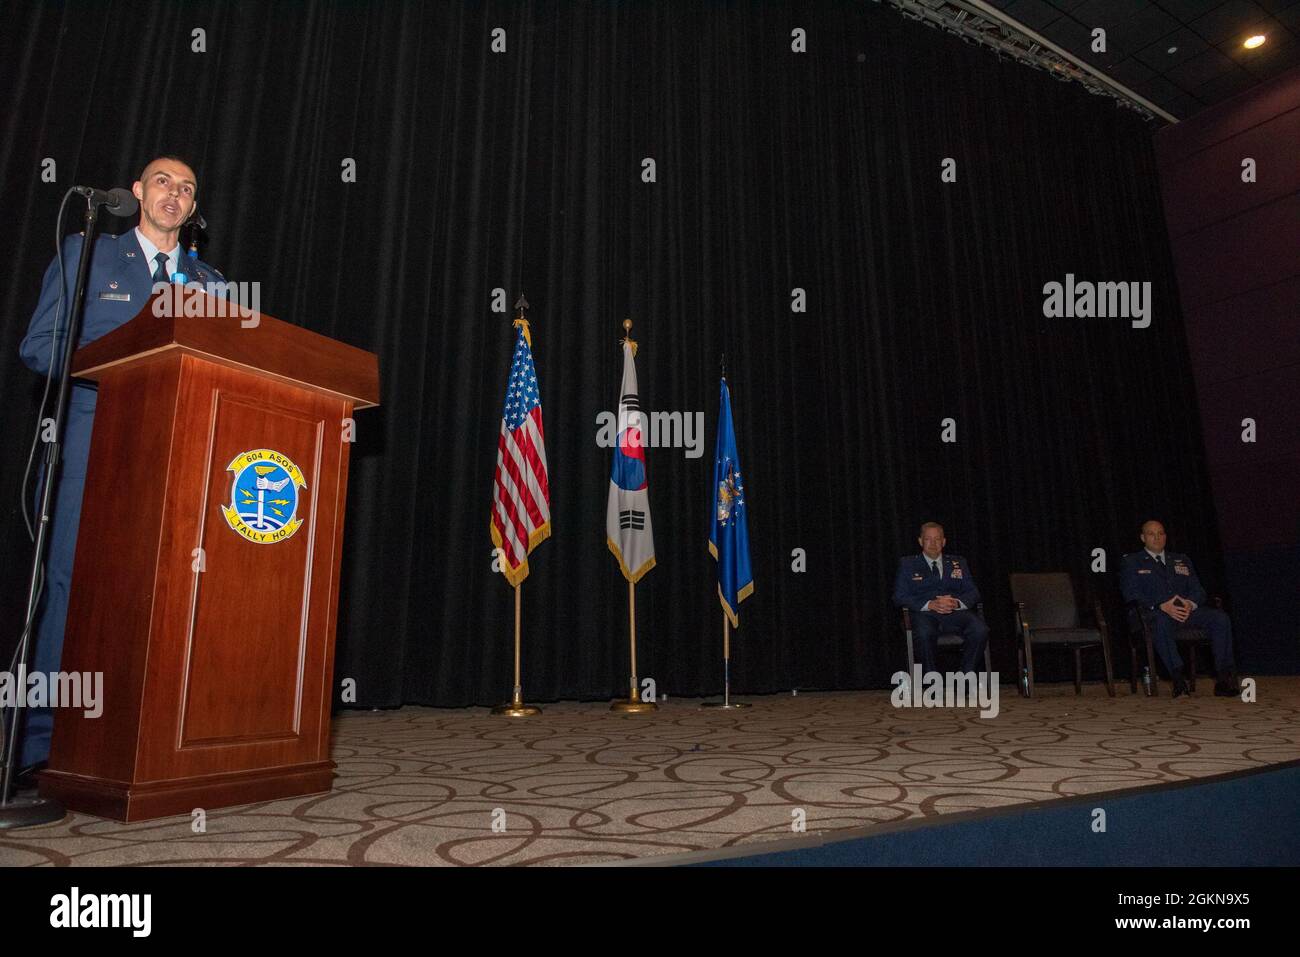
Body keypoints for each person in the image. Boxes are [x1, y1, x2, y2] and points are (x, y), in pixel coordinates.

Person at [15, 155, 226, 770]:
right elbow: (38, 346)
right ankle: (37, 747)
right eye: (163, 182)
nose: (175, 194)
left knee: (164, 591)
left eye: (187, 188)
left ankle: (147, 738)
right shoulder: (91, 253)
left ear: (192, 209)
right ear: (136, 193)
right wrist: (121, 367)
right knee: (71, 584)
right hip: (95, 440)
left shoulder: (210, 280)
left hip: (179, 448)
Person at [1120, 520, 1238, 698]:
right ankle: (1178, 678)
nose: (1157, 537)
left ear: (1166, 536)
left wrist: (1190, 603)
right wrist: (1161, 605)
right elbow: (1131, 594)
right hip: (1152, 615)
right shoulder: (1132, 562)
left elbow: (1199, 591)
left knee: (1219, 618)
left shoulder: (1181, 559)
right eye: (1151, 534)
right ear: (1143, 537)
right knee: (1160, 621)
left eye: (1161, 533)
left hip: (1185, 613)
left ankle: (1223, 679)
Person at [892, 522, 988, 674]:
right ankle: (932, 681)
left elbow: (973, 593)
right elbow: (899, 596)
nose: (933, 543)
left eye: (937, 539)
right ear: (920, 541)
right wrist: (930, 604)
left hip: (955, 613)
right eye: (928, 539)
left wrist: (956, 603)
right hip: (924, 615)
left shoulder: (959, 562)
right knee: (924, 634)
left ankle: (964, 676)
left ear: (944, 542)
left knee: (980, 629)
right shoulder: (908, 564)